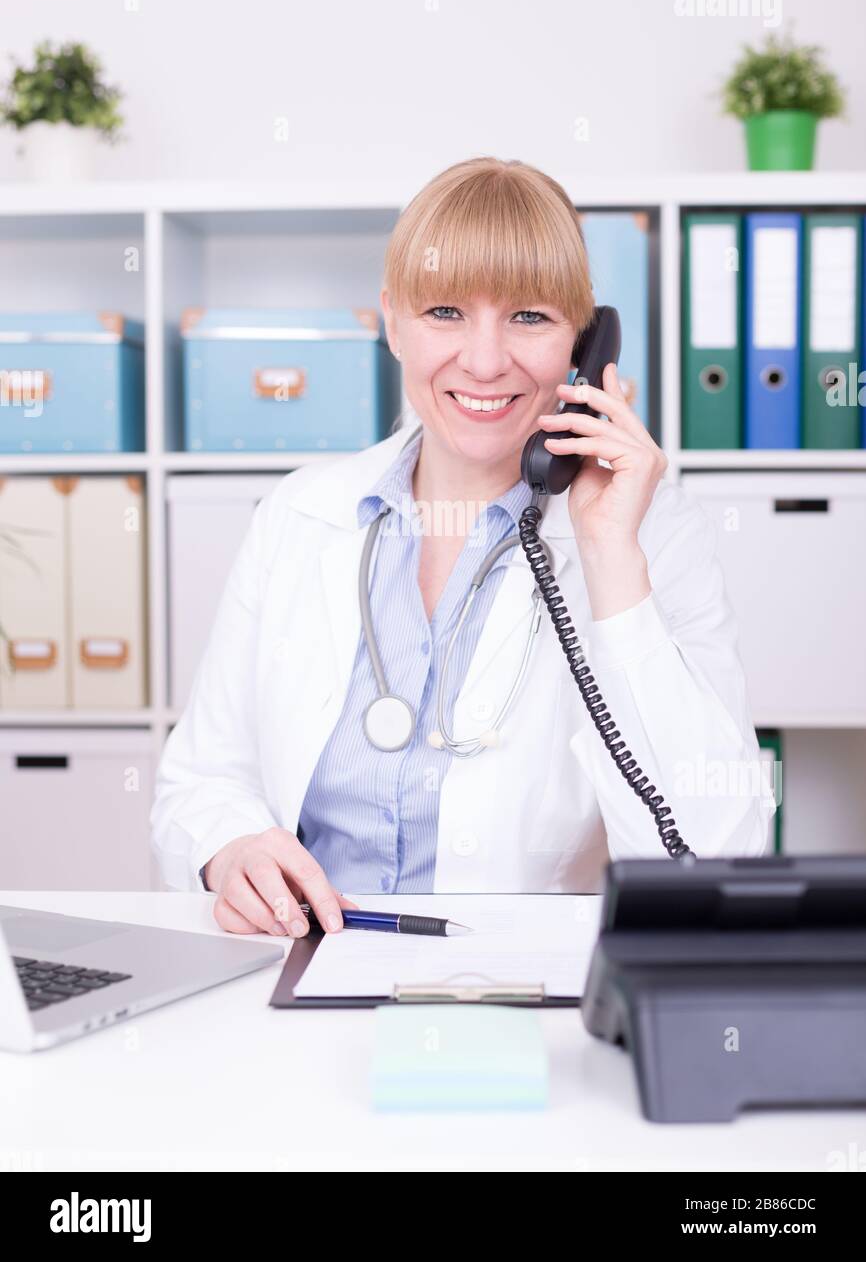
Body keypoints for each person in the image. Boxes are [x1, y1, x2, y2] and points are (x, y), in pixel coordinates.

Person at [151, 156, 770, 938]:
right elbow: (199, 778)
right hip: (300, 972)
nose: (483, 361)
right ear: (390, 322)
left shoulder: (650, 533)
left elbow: (712, 854)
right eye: (445, 312)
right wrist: (229, 846)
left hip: (520, 989)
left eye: (529, 318)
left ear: (585, 346)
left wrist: (611, 556)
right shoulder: (301, 513)